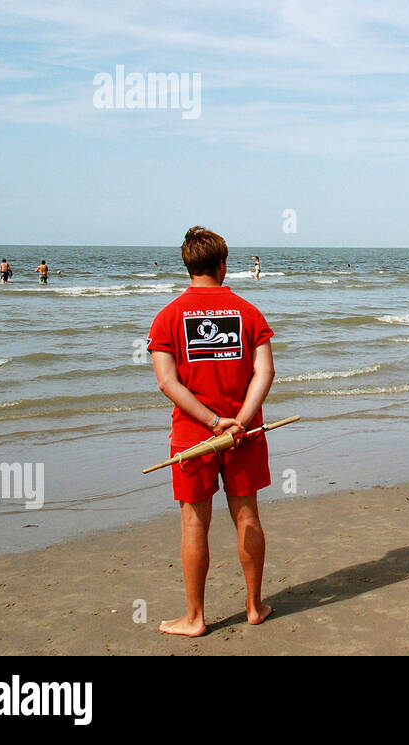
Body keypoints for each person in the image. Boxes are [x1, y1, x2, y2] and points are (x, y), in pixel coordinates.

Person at [146, 226, 276, 636]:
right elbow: (265, 371)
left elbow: (168, 382)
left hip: (193, 435)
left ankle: (195, 617)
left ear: (188, 264)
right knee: (247, 515)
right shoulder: (248, 311)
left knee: (194, 524)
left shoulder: (168, 316)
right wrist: (240, 419)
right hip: (245, 432)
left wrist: (211, 422)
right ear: (222, 264)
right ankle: (254, 606)